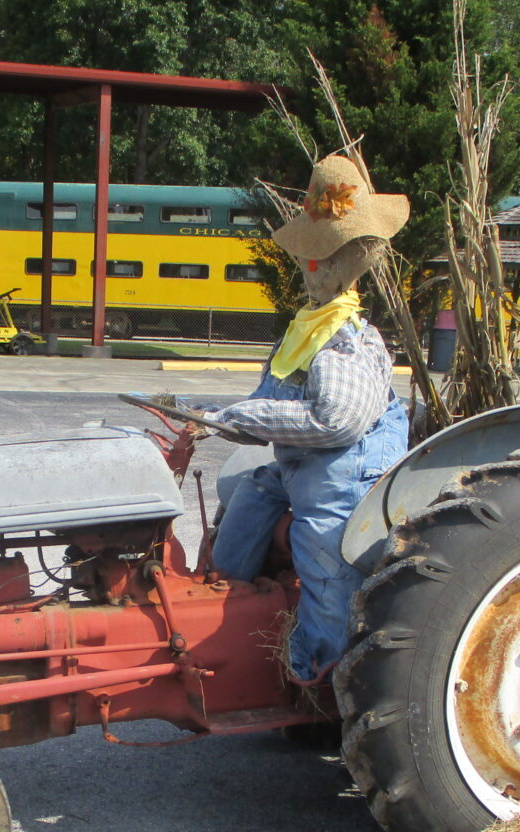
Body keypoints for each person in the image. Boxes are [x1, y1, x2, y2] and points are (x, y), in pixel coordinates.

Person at [205, 154, 412, 683]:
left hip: (346, 470)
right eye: (306, 259)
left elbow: (336, 422)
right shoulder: (305, 329)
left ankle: (322, 670)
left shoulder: (348, 341)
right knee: (251, 493)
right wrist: (213, 418)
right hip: (304, 464)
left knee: (322, 545)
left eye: (318, 260)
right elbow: (265, 404)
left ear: (352, 260)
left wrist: (246, 415)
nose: (308, 269)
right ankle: (222, 602)